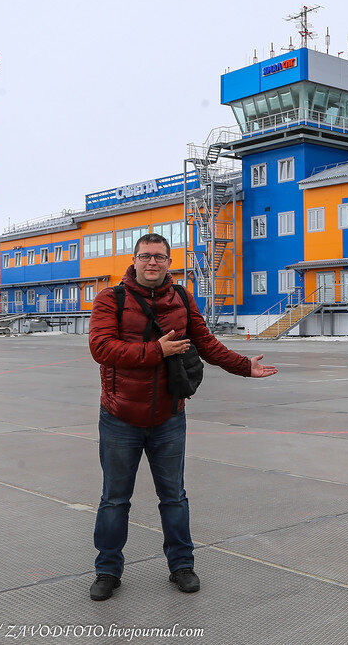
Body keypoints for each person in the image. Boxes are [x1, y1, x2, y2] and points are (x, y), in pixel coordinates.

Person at [86, 233, 277, 601]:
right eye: (146, 257)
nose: (152, 263)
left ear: (168, 262)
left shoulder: (183, 298)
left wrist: (243, 367)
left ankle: (182, 566)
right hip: (120, 415)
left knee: (174, 496)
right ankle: (108, 570)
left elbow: (205, 341)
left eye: (159, 257)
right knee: (114, 499)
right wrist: (155, 350)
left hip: (169, 415)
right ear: (135, 260)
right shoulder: (111, 298)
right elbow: (101, 348)